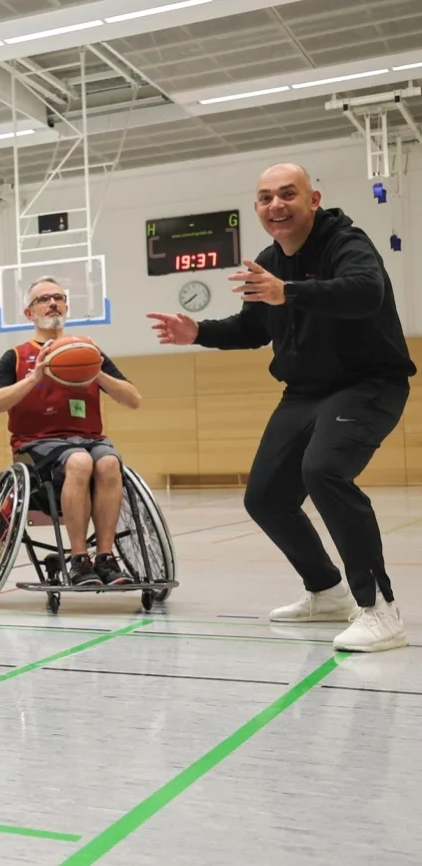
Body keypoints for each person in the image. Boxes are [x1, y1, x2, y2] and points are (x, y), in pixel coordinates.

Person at [148, 162, 415, 652]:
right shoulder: (269, 260)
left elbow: (366, 291)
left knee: (325, 471)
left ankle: (379, 610)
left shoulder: (345, 243)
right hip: (304, 391)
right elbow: (253, 328)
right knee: (266, 497)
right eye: (266, 197)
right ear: (257, 208)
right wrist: (199, 333)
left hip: (369, 383)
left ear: (312, 200)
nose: (276, 205)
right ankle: (327, 591)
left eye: (287, 194)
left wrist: (287, 291)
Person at [0, 277, 143, 586]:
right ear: (29, 313)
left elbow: (133, 399)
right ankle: (79, 560)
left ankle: (106, 558)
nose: (52, 302)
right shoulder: (16, 356)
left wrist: (96, 372)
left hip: (90, 440)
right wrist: (33, 378)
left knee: (110, 462)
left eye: (58, 297)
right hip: (39, 445)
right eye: (43, 299)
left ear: (66, 306)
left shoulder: (88, 351)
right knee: (80, 461)